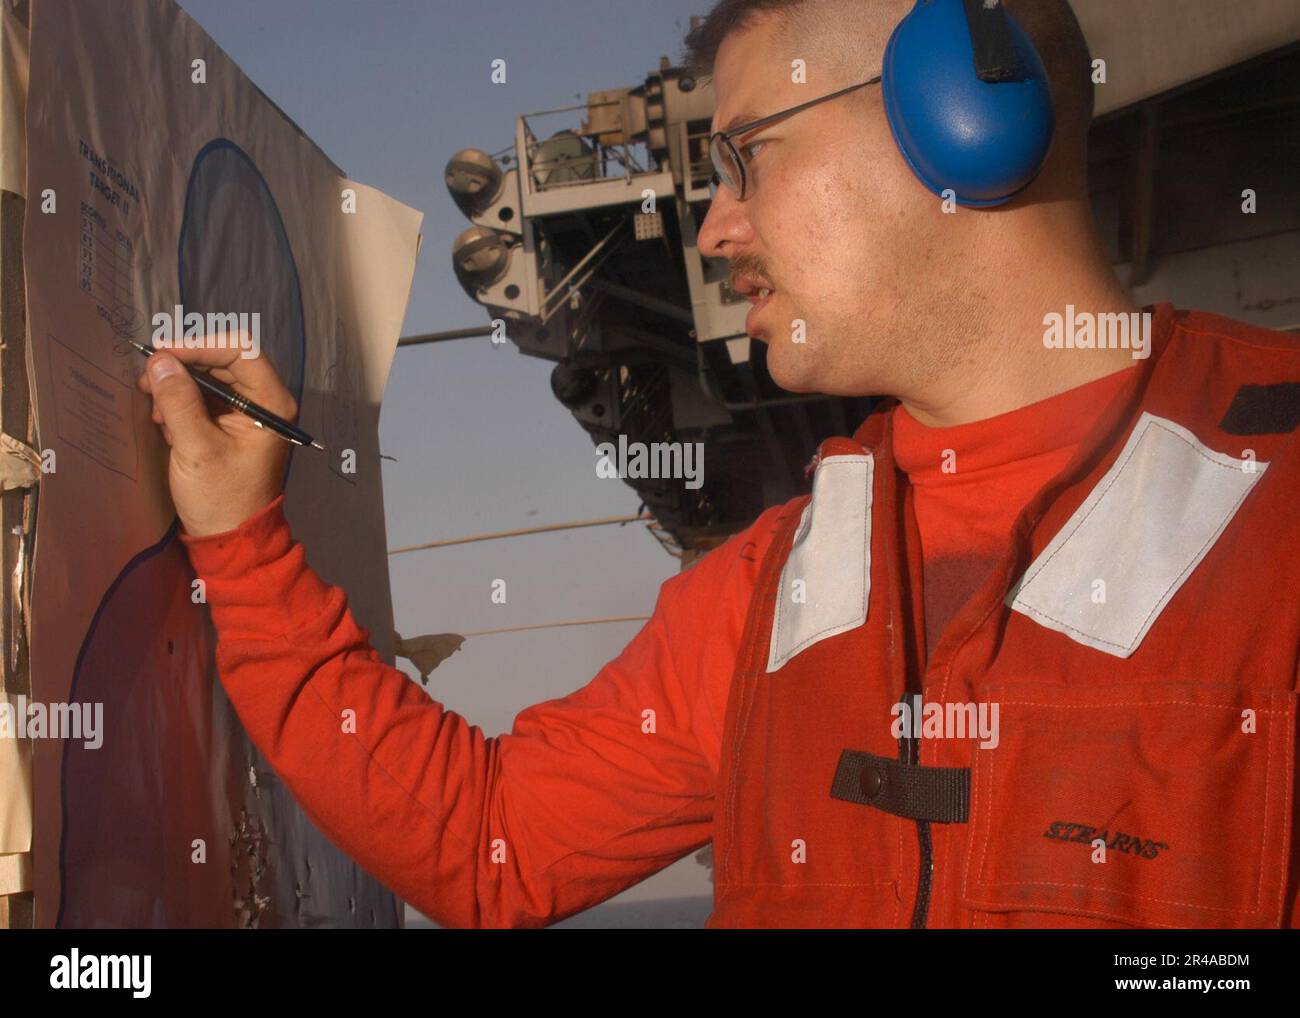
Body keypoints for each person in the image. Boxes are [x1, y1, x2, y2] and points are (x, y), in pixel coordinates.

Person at [138, 0, 1300, 928]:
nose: (713, 228)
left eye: (747, 157)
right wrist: (243, 549)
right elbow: (486, 846)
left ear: (959, 113)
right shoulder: (773, 588)